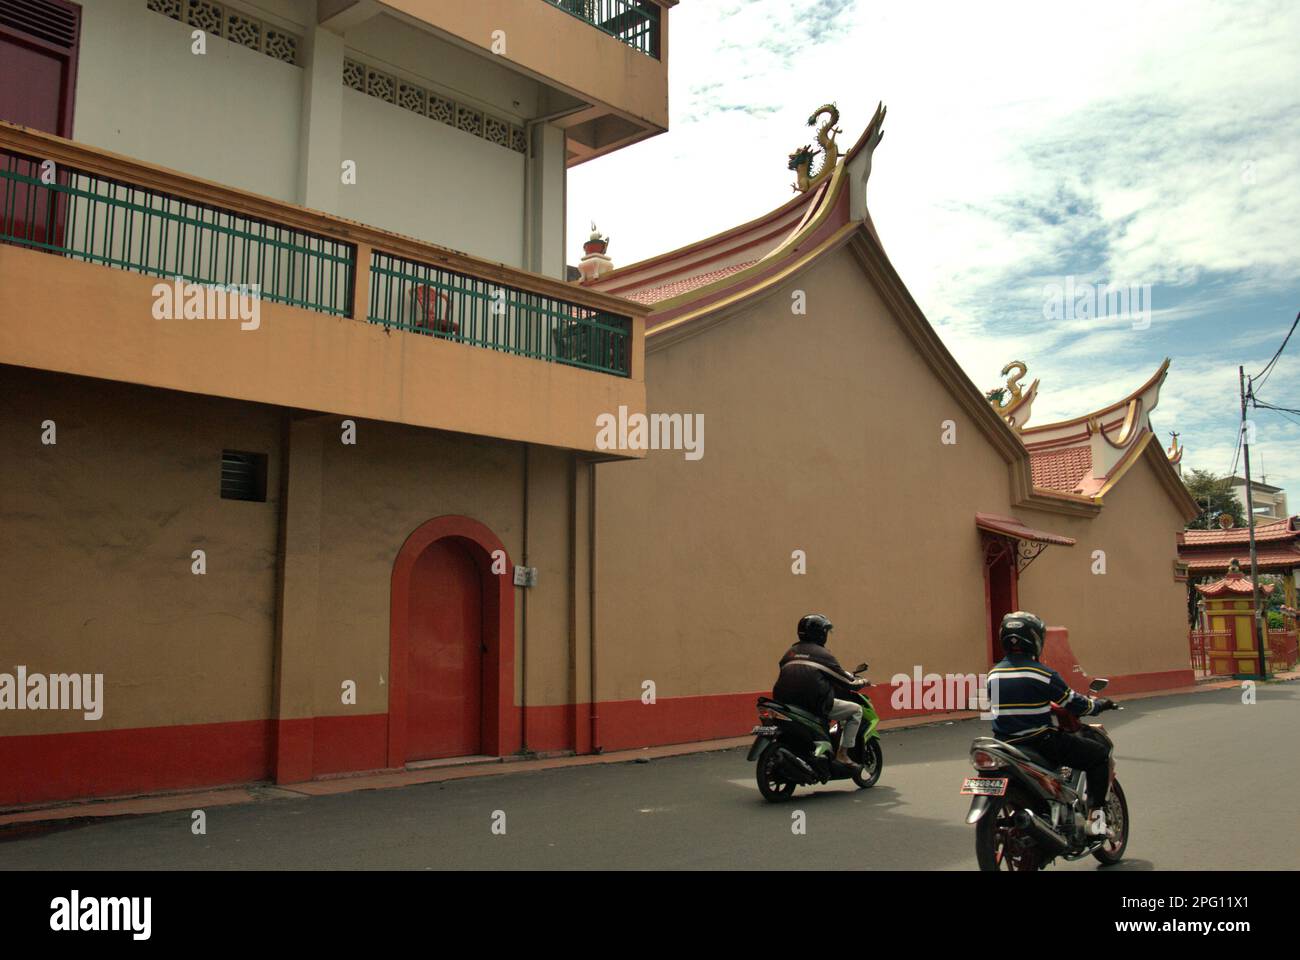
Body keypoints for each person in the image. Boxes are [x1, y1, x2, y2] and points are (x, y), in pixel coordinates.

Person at [986, 611, 1116, 836]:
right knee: (1099, 757)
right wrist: (1098, 705)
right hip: (1039, 741)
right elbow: (1075, 703)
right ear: (1035, 640)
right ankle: (1097, 821)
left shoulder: (993, 674)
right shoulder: (1043, 674)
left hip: (1005, 744)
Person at [773, 614, 867, 767]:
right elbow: (847, 681)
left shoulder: (790, 652)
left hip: (785, 704)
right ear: (820, 633)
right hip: (814, 704)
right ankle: (842, 754)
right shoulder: (822, 654)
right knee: (856, 711)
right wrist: (863, 681)